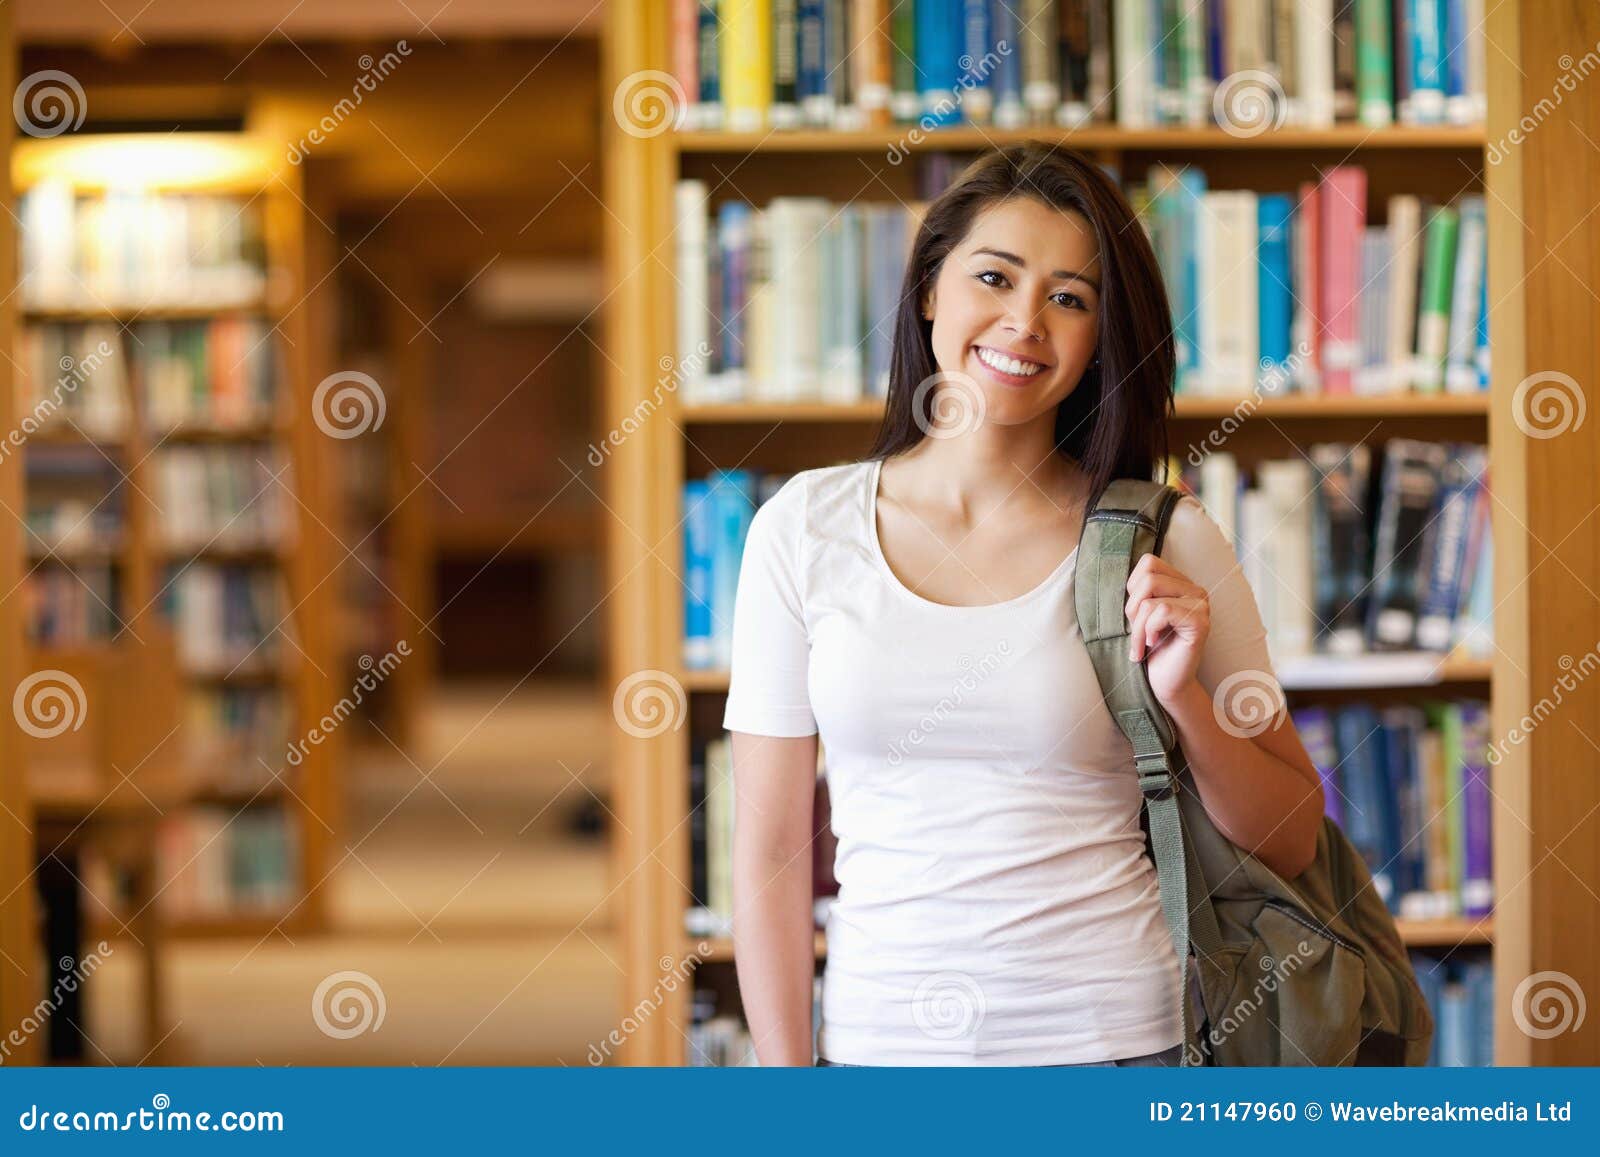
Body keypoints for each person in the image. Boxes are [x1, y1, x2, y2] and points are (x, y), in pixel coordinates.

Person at [720, 144, 1324, 1068]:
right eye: (995, 277)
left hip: (1115, 1047)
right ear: (930, 289)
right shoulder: (803, 528)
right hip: (878, 1048)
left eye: (1069, 298)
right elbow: (768, 851)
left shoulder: (1165, 537)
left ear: (1101, 338)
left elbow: (1291, 836)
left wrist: (1185, 705)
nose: (1025, 322)